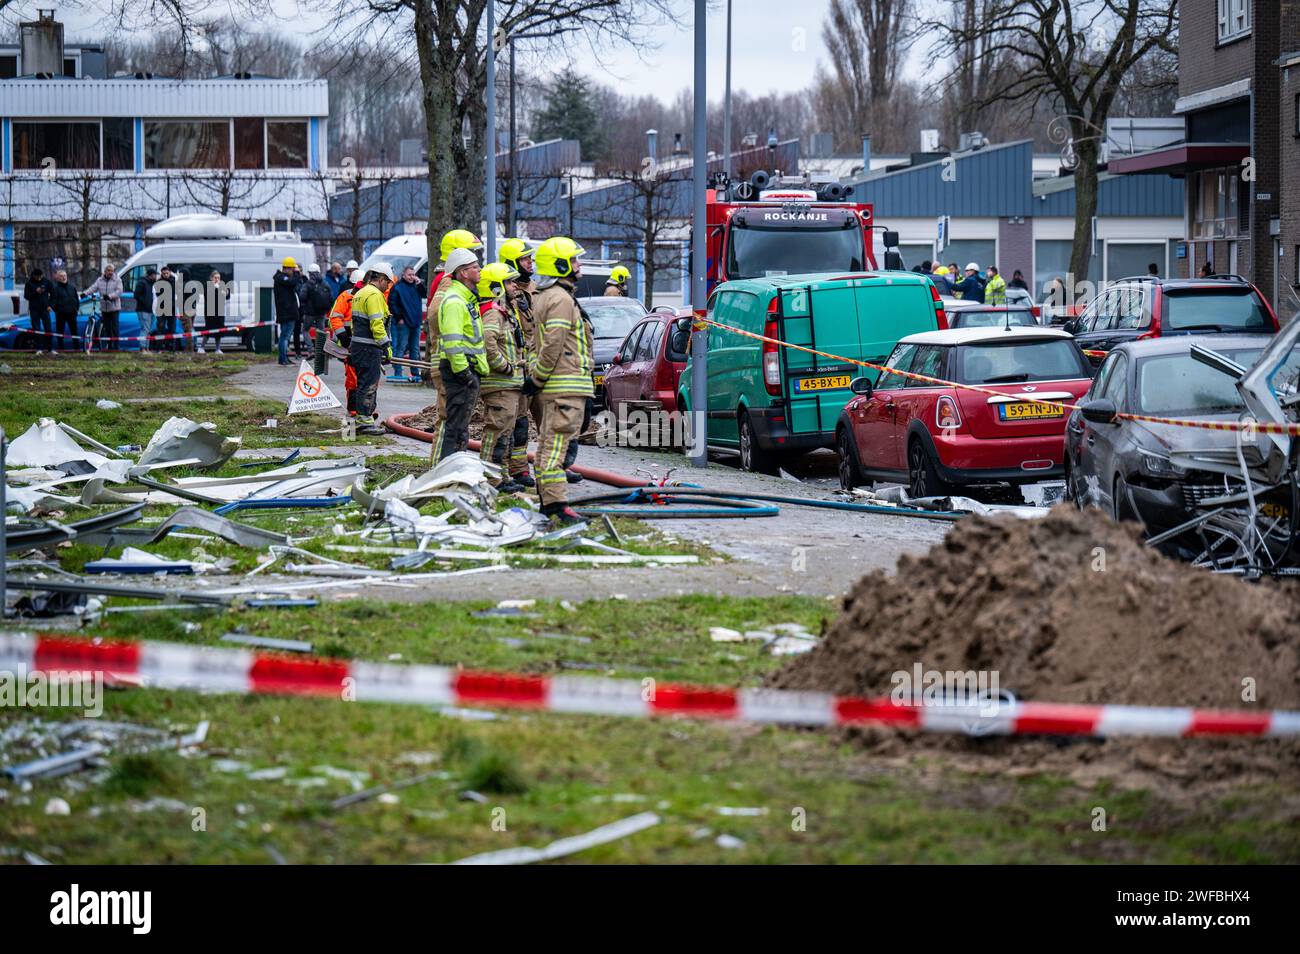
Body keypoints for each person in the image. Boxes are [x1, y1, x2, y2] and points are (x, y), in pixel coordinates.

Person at [521, 236, 593, 525]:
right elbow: (553, 344)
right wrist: (537, 380)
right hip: (565, 387)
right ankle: (556, 506)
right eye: (575, 259)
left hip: (559, 387)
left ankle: (548, 501)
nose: (579, 264)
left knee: (550, 445)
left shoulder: (548, 296)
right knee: (555, 448)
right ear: (562, 264)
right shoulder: (561, 300)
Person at [426, 229, 484, 459]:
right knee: (448, 420)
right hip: (450, 361)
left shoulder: (450, 283)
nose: (477, 263)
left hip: (454, 360)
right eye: (472, 255)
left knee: (456, 421)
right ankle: (438, 469)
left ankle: (452, 466)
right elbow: (435, 316)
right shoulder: (447, 283)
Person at [477, 261, 527, 493]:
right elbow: (488, 343)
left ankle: (502, 475)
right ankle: (491, 478)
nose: (514, 286)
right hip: (500, 385)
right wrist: (505, 367)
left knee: (505, 433)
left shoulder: (505, 311)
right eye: (508, 282)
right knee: (496, 432)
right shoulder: (492, 313)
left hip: (509, 385)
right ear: (496, 287)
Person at [499, 238, 539, 487]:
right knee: (511, 423)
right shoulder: (503, 293)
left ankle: (524, 468)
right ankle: (509, 470)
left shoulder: (534, 290)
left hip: (532, 366)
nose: (530, 264)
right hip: (513, 367)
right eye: (526, 259)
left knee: (528, 422)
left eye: (531, 259)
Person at [349, 263, 396, 435]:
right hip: (370, 346)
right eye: (388, 283)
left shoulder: (360, 293)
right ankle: (365, 423)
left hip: (359, 346)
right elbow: (377, 324)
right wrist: (386, 347)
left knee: (362, 382)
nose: (388, 286)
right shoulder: (375, 295)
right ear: (382, 279)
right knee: (369, 384)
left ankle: (362, 420)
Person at [388, 265, 425, 379]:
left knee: (415, 349)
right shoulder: (397, 287)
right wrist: (399, 318)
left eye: (413, 274)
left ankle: (414, 373)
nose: (411, 277)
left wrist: (419, 284)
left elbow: (424, 294)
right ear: (403, 275)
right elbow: (392, 303)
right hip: (403, 323)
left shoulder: (416, 286)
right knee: (400, 348)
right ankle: (398, 373)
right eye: (409, 274)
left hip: (416, 322)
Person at [302, 263, 334, 372]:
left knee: (305, 330)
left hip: (309, 313)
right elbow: (331, 298)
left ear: (310, 273)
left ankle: (311, 350)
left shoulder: (308, 284)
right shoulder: (325, 283)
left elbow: (302, 296)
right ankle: (322, 352)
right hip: (321, 312)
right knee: (321, 332)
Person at [86, 264, 123, 351]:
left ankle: (116, 347)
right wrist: (85, 293)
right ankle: (109, 346)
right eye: (108, 270)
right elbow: (93, 288)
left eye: (112, 270)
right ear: (105, 271)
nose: (110, 272)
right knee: (107, 329)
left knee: (115, 328)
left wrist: (110, 296)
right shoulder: (100, 280)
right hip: (104, 309)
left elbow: (119, 291)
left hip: (114, 308)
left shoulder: (117, 280)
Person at [273, 256, 302, 365]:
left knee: (285, 336)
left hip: (287, 312)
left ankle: (284, 357)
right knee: (285, 336)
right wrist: (297, 274)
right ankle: (283, 359)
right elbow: (293, 282)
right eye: (293, 270)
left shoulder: (282, 278)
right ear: (287, 268)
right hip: (287, 313)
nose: (294, 272)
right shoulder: (282, 278)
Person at [49, 268, 79, 353]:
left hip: (72, 313)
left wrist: (76, 309)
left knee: (74, 332)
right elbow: (53, 301)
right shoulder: (55, 289)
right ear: (57, 278)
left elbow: (76, 300)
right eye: (61, 276)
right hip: (61, 314)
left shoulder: (72, 287)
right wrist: (57, 311)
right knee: (60, 333)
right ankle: (61, 349)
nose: (63, 277)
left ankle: (77, 349)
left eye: (65, 276)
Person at [202, 271, 232, 354]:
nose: (217, 279)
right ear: (211, 278)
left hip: (220, 312)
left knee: (219, 331)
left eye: (218, 278)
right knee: (208, 330)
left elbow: (227, 297)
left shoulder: (221, 286)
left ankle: (218, 349)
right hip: (210, 312)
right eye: (215, 278)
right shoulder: (207, 285)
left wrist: (226, 291)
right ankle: (201, 347)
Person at [23, 268, 53, 352]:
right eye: (38, 277)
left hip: (45, 309)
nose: (39, 278)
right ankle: (39, 349)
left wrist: (51, 305)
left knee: (48, 329)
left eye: (41, 276)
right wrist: (36, 292)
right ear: (34, 276)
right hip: (34, 309)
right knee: (36, 329)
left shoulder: (47, 282)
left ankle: (50, 348)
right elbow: (26, 296)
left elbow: (53, 293)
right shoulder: (29, 284)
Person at [154, 266, 181, 351]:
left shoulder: (174, 281)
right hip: (161, 308)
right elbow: (158, 294)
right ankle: (159, 347)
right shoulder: (159, 282)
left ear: (170, 273)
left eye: (167, 273)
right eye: (164, 273)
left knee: (172, 329)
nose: (166, 275)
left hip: (172, 308)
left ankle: (171, 347)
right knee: (160, 328)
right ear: (161, 273)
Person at [133, 267, 157, 352]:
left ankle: (146, 348)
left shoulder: (152, 284)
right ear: (151, 275)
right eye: (155, 275)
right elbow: (136, 295)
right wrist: (145, 303)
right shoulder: (142, 283)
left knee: (148, 330)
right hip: (143, 310)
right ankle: (143, 347)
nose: (156, 276)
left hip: (150, 310)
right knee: (145, 329)